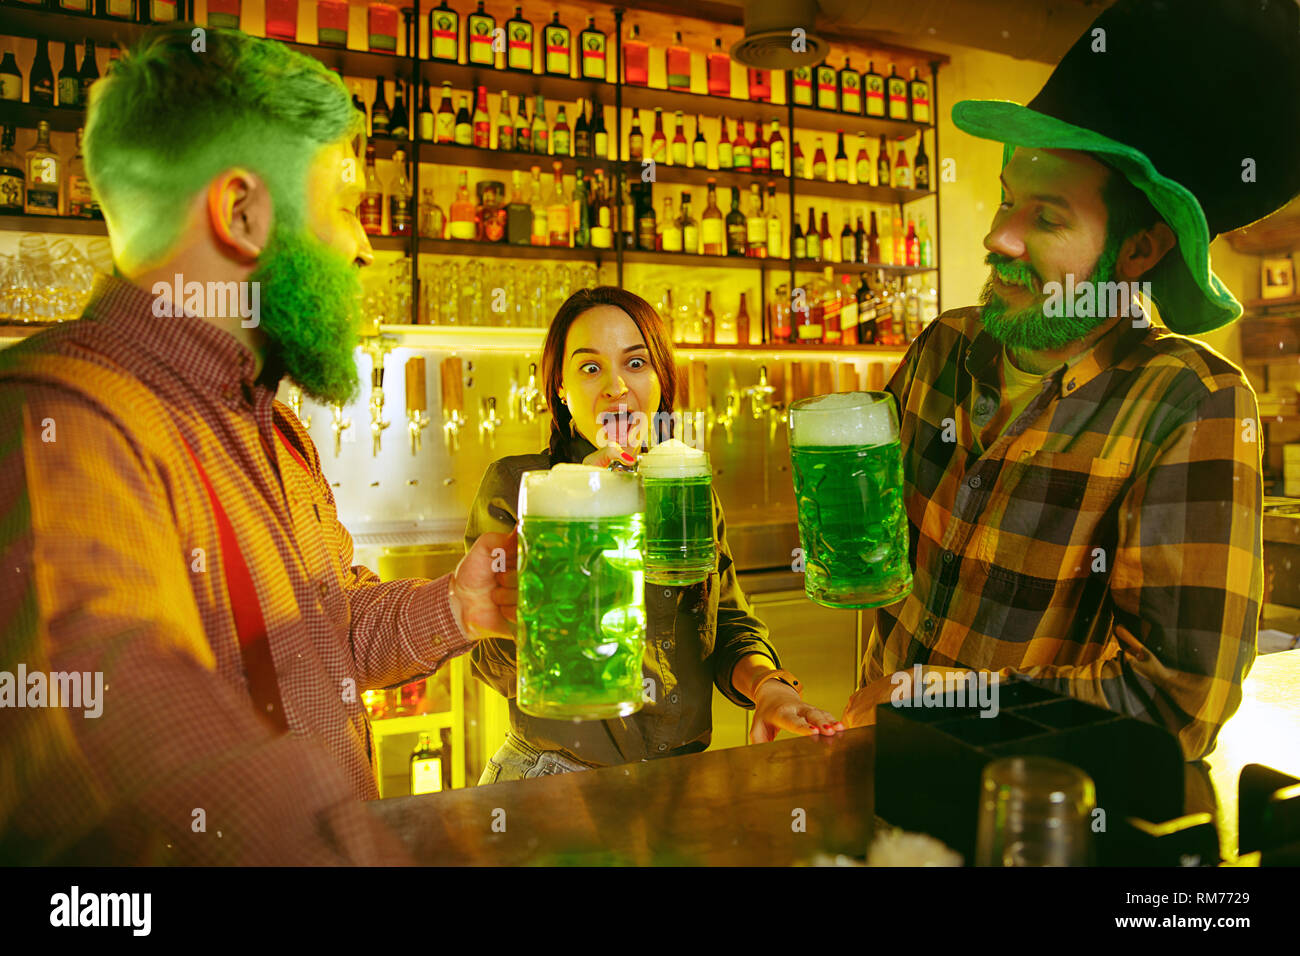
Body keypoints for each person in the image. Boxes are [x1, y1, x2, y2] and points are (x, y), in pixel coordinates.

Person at [0, 26, 516, 864]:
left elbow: (327, 632)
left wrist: (457, 607)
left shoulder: (272, 429)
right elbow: (105, 714)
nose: (365, 246)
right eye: (345, 204)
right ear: (241, 212)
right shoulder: (66, 419)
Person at [842, 0, 1300, 761]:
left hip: (1032, 808)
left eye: (1046, 219)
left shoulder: (1193, 404)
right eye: (1006, 199)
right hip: (875, 764)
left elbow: (1177, 704)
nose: (998, 236)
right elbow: (869, 548)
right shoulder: (945, 344)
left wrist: (945, 702)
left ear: (1140, 250)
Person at [466, 287, 844, 782]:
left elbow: (726, 619)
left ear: (662, 380)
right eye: (589, 367)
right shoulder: (524, 487)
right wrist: (578, 524)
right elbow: (490, 659)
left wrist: (771, 686)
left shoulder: (685, 487)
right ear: (560, 385)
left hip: (679, 781)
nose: (616, 387)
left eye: (636, 363)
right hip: (555, 776)